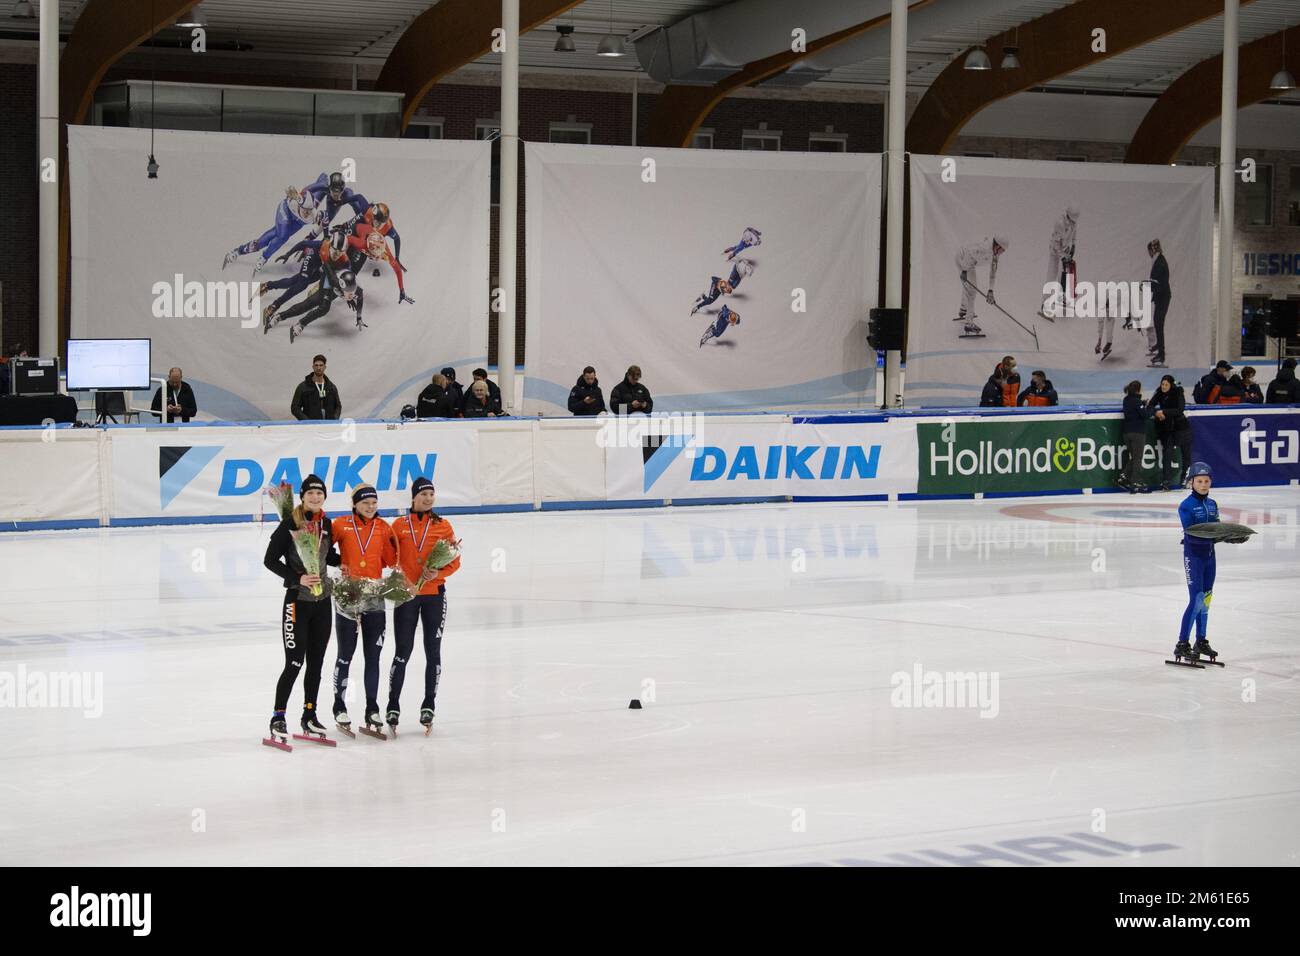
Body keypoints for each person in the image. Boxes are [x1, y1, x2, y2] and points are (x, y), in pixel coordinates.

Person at [261, 474, 342, 745]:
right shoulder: (290, 523)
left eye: (320, 494)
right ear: (303, 496)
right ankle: (278, 716)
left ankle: (309, 714)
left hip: (322, 603)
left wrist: (349, 562)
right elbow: (270, 560)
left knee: (316, 664)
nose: (316, 498)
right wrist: (297, 579)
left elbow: (328, 556)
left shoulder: (327, 524)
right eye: (311, 494)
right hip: (297, 603)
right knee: (295, 662)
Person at [390, 477, 461, 733]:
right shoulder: (398, 526)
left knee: (433, 651)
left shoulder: (443, 526)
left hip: (434, 596)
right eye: (424, 494)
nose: (428, 498)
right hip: (406, 596)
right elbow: (390, 559)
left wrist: (438, 574)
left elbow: (455, 561)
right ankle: (393, 705)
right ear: (413, 497)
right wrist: (401, 579)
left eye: (432, 494)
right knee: (403, 651)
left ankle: (428, 704)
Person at [331, 484, 398, 735]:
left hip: (374, 595)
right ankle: (339, 705)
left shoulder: (383, 528)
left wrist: (392, 543)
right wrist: (338, 564)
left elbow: (391, 561)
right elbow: (324, 550)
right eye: (365, 503)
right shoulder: (340, 524)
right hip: (347, 593)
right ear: (355, 504)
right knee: (345, 654)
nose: (370, 507)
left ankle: (372, 708)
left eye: (374, 503)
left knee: (373, 656)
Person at [1173, 462, 1220, 664]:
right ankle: (1182, 643)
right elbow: (1191, 533)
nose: (1203, 485)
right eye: (1199, 481)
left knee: (1206, 599)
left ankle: (1200, 640)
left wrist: (1230, 536)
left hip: (1210, 557)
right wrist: (1213, 537)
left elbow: (1217, 530)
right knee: (1197, 599)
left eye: (1206, 481)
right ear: (1191, 482)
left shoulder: (1212, 504)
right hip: (1194, 557)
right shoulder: (1186, 505)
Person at [953, 235, 1009, 338]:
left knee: (968, 287)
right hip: (963, 259)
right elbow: (968, 252)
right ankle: (969, 323)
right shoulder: (984, 248)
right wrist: (964, 271)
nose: (1003, 252)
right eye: (1003, 250)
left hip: (970, 263)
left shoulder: (995, 255)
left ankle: (963, 309)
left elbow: (993, 273)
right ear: (997, 246)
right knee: (972, 290)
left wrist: (990, 290)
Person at [1147, 374, 1193, 490]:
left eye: (1166, 384)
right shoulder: (1159, 392)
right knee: (1167, 454)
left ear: (1171, 385)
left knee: (1185, 454)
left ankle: (1185, 478)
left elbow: (1180, 409)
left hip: (1181, 427)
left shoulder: (1178, 392)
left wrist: (1164, 412)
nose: (1163, 386)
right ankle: (1166, 481)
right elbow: (1150, 406)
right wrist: (1156, 412)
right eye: (1162, 384)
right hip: (1167, 428)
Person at [1041, 204, 1079, 319]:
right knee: (1051, 276)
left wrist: (1073, 245)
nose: (1073, 223)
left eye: (1074, 221)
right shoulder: (1060, 224)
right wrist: (1062, 256)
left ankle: (1061, 299)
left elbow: (1074, 235)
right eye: (1072, 220)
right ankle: (1045, 304)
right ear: (1068, 216)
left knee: (1064, 276)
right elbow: (1056, 243)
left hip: (1065, 250)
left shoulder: (1073, 223)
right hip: (1055, 251)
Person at [1118, 380, 1151, 493]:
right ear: (1138, 389)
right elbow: (1145, 415)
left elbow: (1134, 406)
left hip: (1126, 432)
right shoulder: (1137, 402)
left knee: (1134, 457)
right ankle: (1135, 482)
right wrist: (1149, 408)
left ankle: (1123, 476)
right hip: (1137, 432)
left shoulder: (1126, 400)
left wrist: (1142, 403)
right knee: (1137, 458)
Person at [291, 355, 342, 420]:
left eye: (321, 365)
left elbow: (338, 406)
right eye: (316, 365)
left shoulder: (331, 387)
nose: (318, 368)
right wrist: (306, 421)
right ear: (313, 367)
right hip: (310, 427)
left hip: (329, 426)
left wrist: (334, 418)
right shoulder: (303, 387)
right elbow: (295, 408)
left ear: (325, 367)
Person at [1146, 239, 1171, 368]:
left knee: (1159, 324)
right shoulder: (1158, 260)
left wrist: (1152, 288)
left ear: (1153, 250)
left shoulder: (1160, 262)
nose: (1149, 253)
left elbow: (1162, 282)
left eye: (1149, 251)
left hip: (1163, 297)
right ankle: (1159, 347)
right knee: (1157, 322)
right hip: (1161, 296)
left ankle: (1161, 354)